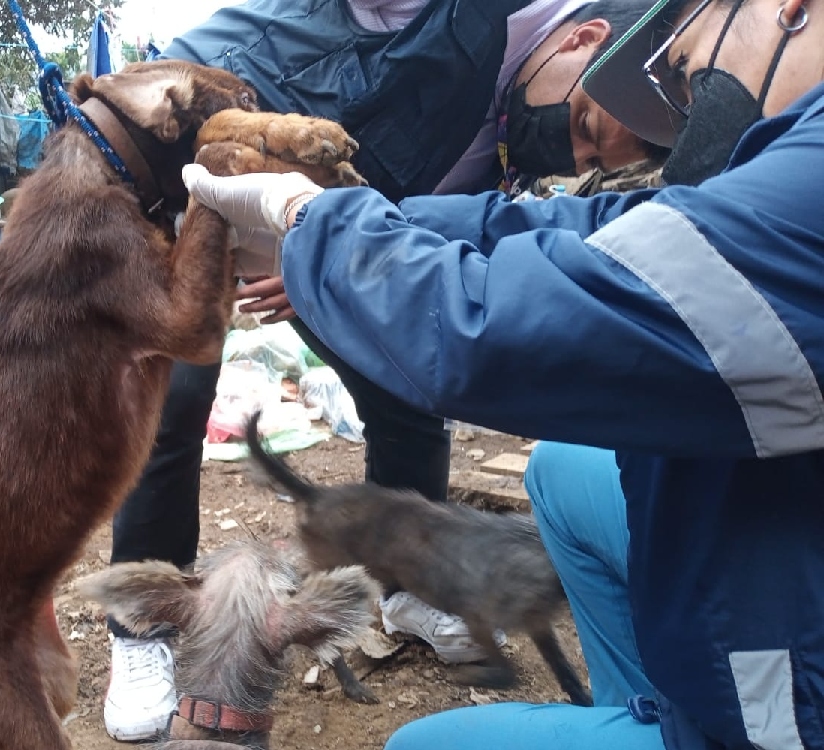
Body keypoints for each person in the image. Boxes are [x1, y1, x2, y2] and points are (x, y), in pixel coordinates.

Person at [179, 0, 824, 744]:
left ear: (789, 8)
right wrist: (340, 219)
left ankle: (694, 728)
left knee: (417, 745)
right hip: (770, 520)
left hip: (792, 680)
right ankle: (641, 708)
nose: (682, 108)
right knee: (560, 469)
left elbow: (494, 337)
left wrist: (302, 216)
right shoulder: (792, 159)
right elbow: (592, 233)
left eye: (680, 71)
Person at [102, 0, 666, 740]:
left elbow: (448, 231)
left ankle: (403, 589)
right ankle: (144, 633)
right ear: (586, 38)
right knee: (170, 400)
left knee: (406, 389)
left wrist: (320, 247)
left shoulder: (513, 148)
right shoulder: (461, 17)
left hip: (321, 238)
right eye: (586, 124)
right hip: (193, 166)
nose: (570, 151)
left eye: (590, 163)